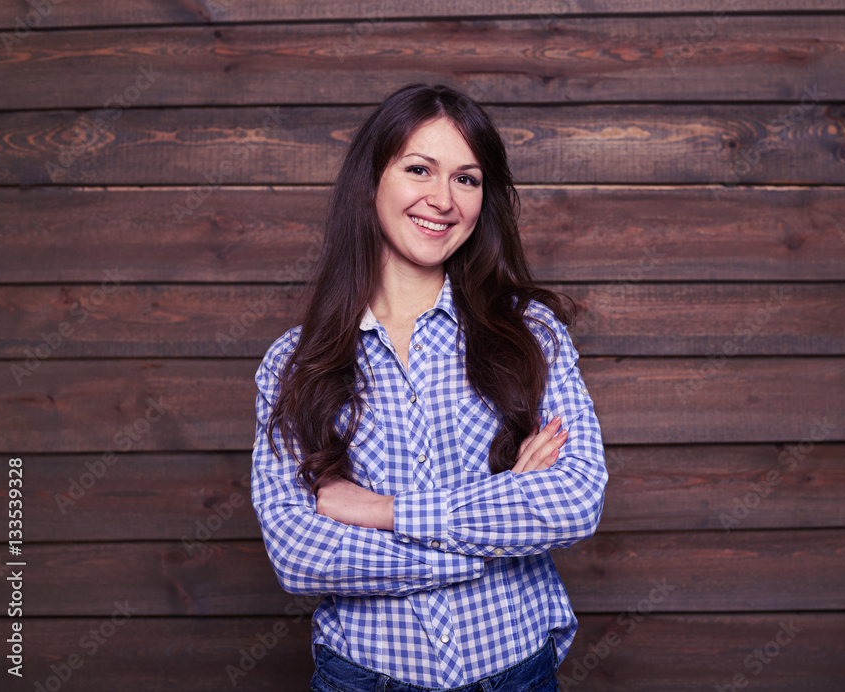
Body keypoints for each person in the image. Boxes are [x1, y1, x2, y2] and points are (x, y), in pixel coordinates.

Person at [251, 82, 607, 692]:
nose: (442, 200)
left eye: (466, 180)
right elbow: (298, 553)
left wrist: (381, 512)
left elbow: (574, 499)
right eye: (420, 169)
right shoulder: (294, 363)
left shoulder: (530, 333)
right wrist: (501, 522)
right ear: (372, 182)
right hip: (363, 677)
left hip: (515, 672)